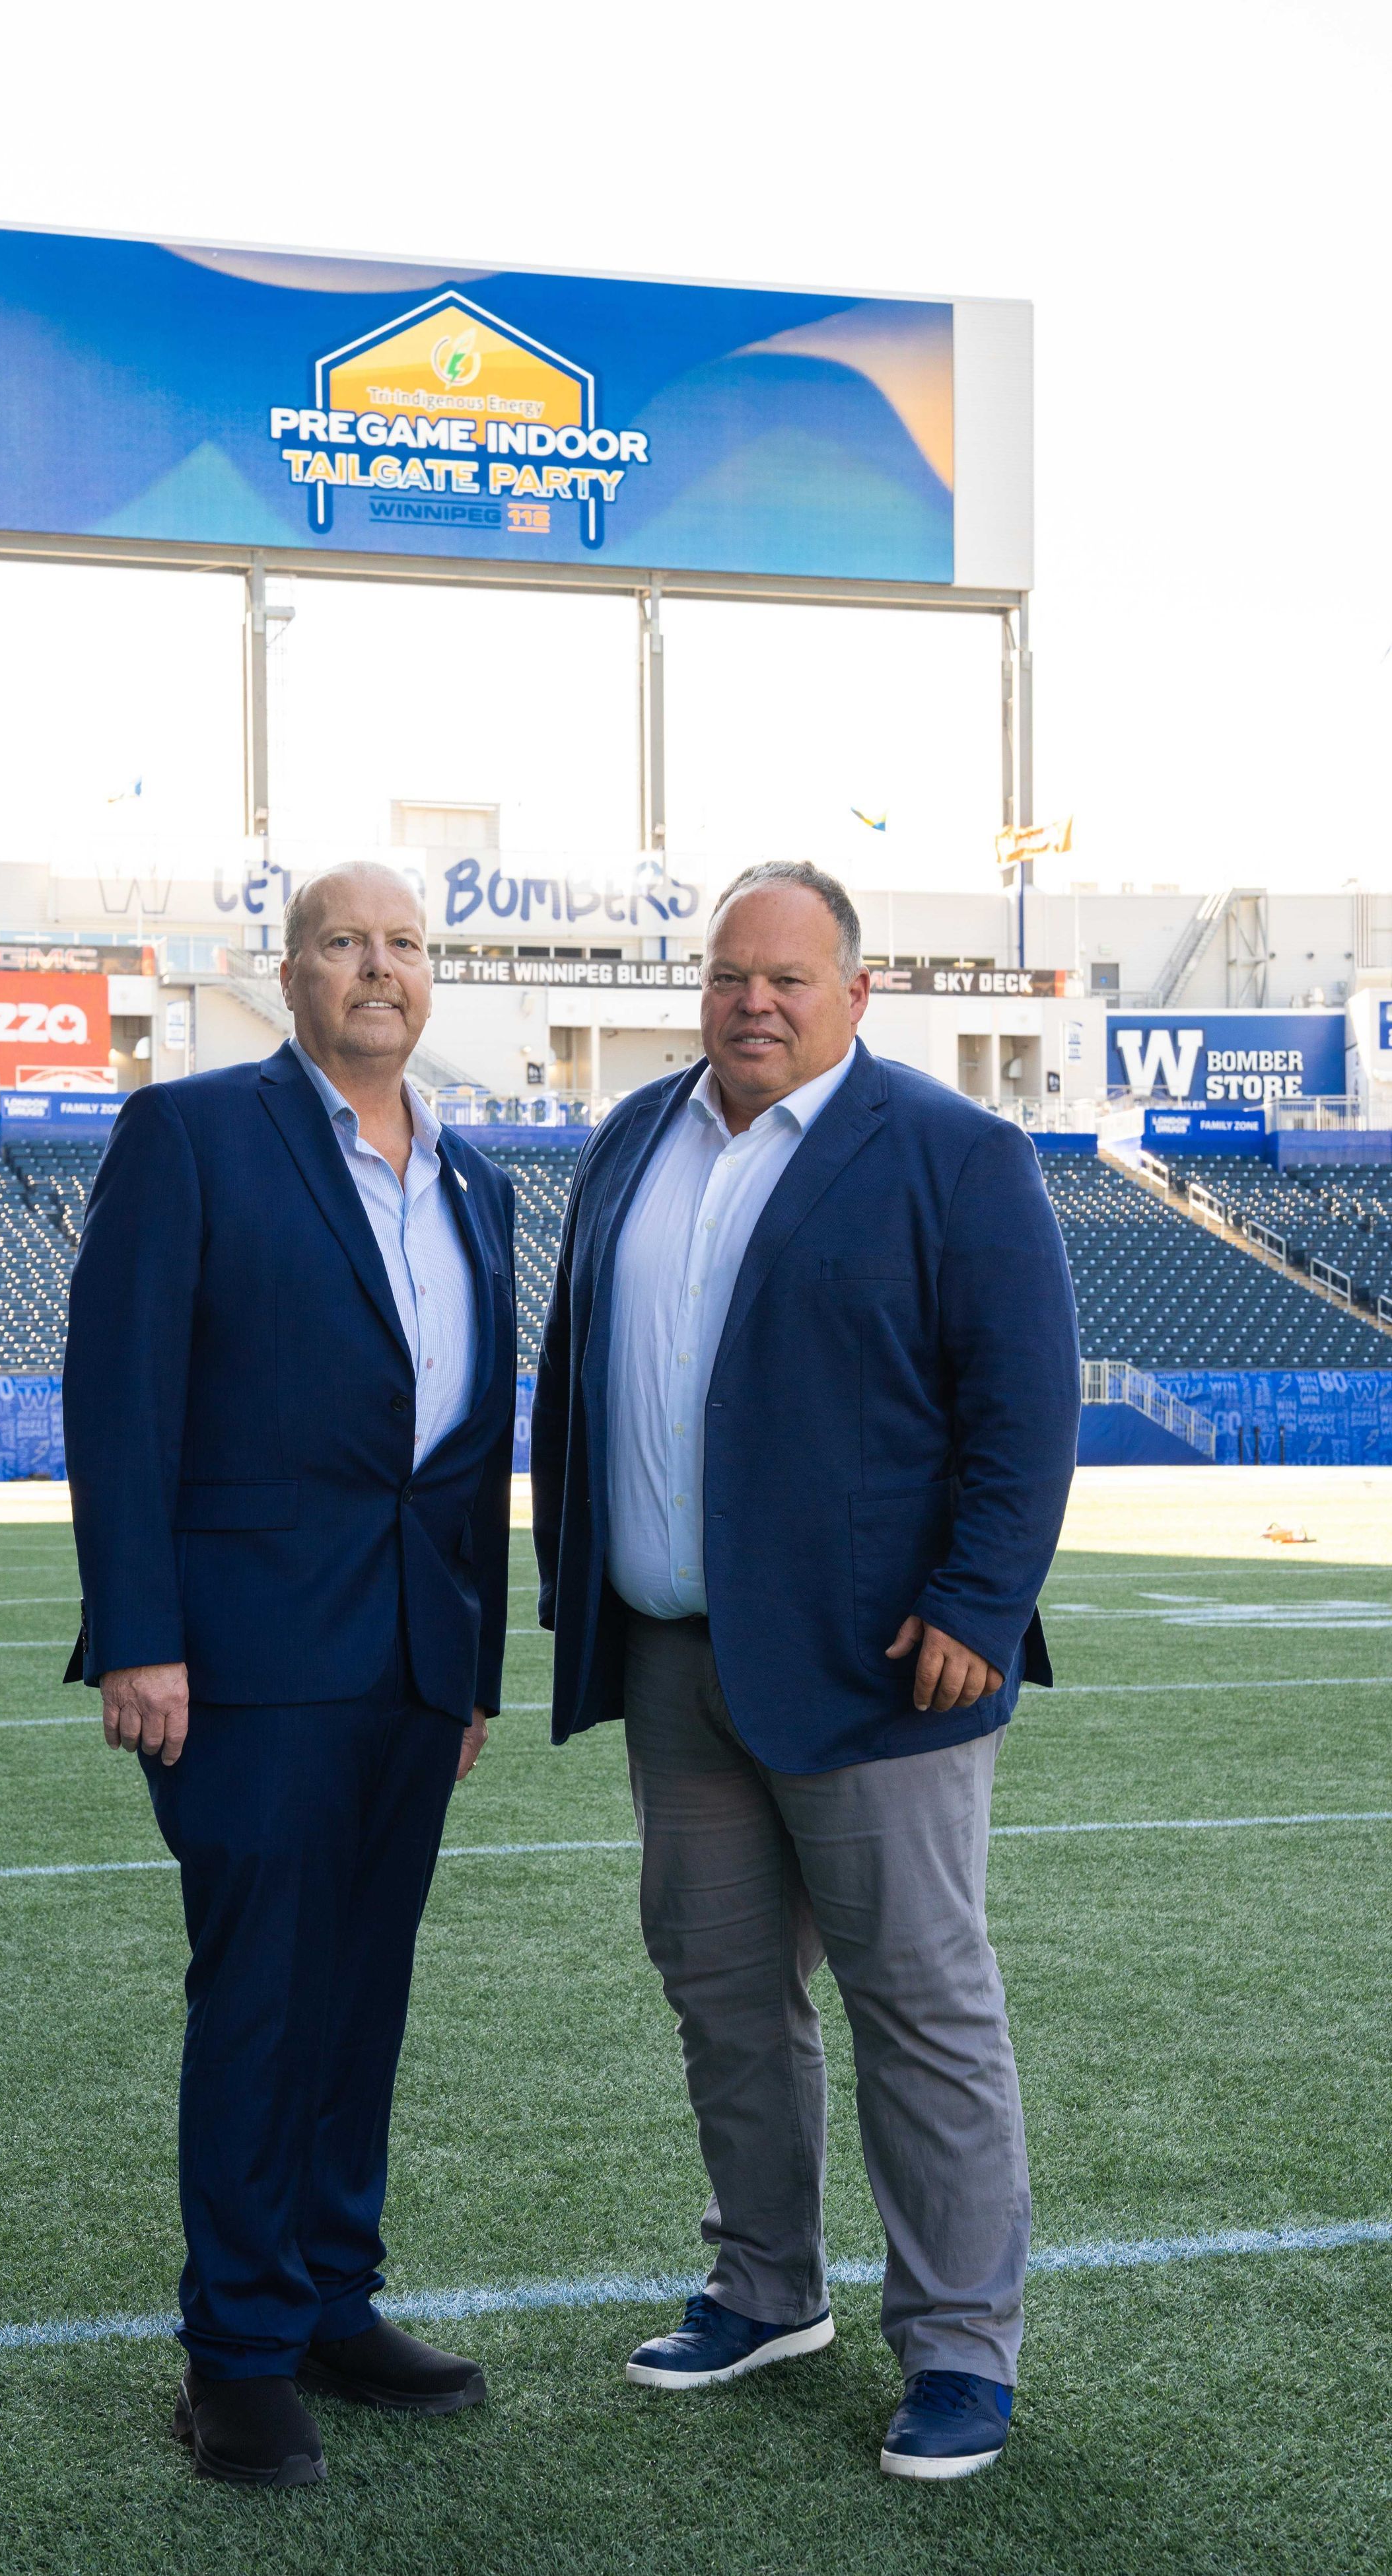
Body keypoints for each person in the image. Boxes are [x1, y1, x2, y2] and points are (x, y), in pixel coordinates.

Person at [531, 860, 1078, 2482]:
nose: (752, 1002)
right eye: (726, 975)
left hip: (878, 1674)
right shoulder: (632, 1139)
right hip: (676, 1661)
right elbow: (581, 1382)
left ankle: (963, 2349)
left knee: (920, 2007)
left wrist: (977, 1606)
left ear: (857, 993)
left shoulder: (955, 1155)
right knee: (721, 1997)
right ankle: (765, 2287)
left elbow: (1023, 1403)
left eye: (787, 977)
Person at [63, 861, 516, 2489]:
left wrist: (469, 1662)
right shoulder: (191, 1134)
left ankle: (332, 2296)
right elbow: (117, 1396)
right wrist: (137, 1630)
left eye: (404, 945)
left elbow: (471, 1458)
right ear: (292, 971)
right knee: (259, 2002)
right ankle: (236, 2352)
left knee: (361, 1996)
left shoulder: (475, 1181)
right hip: (241, 1659)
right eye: (346, 943)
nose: (378, 969)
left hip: (408, 1656)